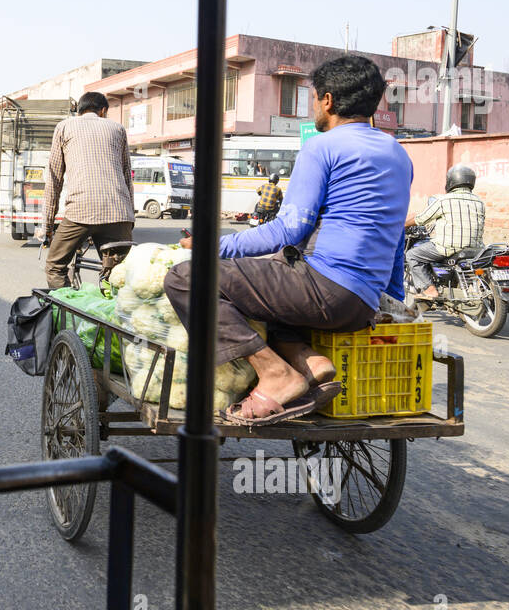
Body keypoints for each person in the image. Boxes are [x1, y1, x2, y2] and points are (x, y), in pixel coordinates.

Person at [163, 56, 413, 425]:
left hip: (326, 291)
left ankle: (275, 374)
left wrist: (209, 247)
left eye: (312, 98)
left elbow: (287, 230)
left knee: (186, 278)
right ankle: (308, 361)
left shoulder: (323, 146)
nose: (313, 106)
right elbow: (394, 241)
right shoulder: (399, 155)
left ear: (327, 100)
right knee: (273, 279)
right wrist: (393, 302)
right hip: (361, 306)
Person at [39, 91, 134, 289]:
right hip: (118, 212)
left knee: (55, 267)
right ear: (104, 111)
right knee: (120, 274)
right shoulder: (118, 128)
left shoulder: (64, 126)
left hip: (80, 211)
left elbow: (54, 179)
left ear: (79, 110)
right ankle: (113, 315)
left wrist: (47, 226)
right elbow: (126, 176)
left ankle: (68, 310)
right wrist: (128, 221)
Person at [404, 165, 486, 298]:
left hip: (449, 247)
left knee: (412, 255)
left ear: (451, 181)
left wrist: (404, 224)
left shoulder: (444, 200)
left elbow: (421, 219)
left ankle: (429, 289)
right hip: (476, 248)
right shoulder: (479, 201)